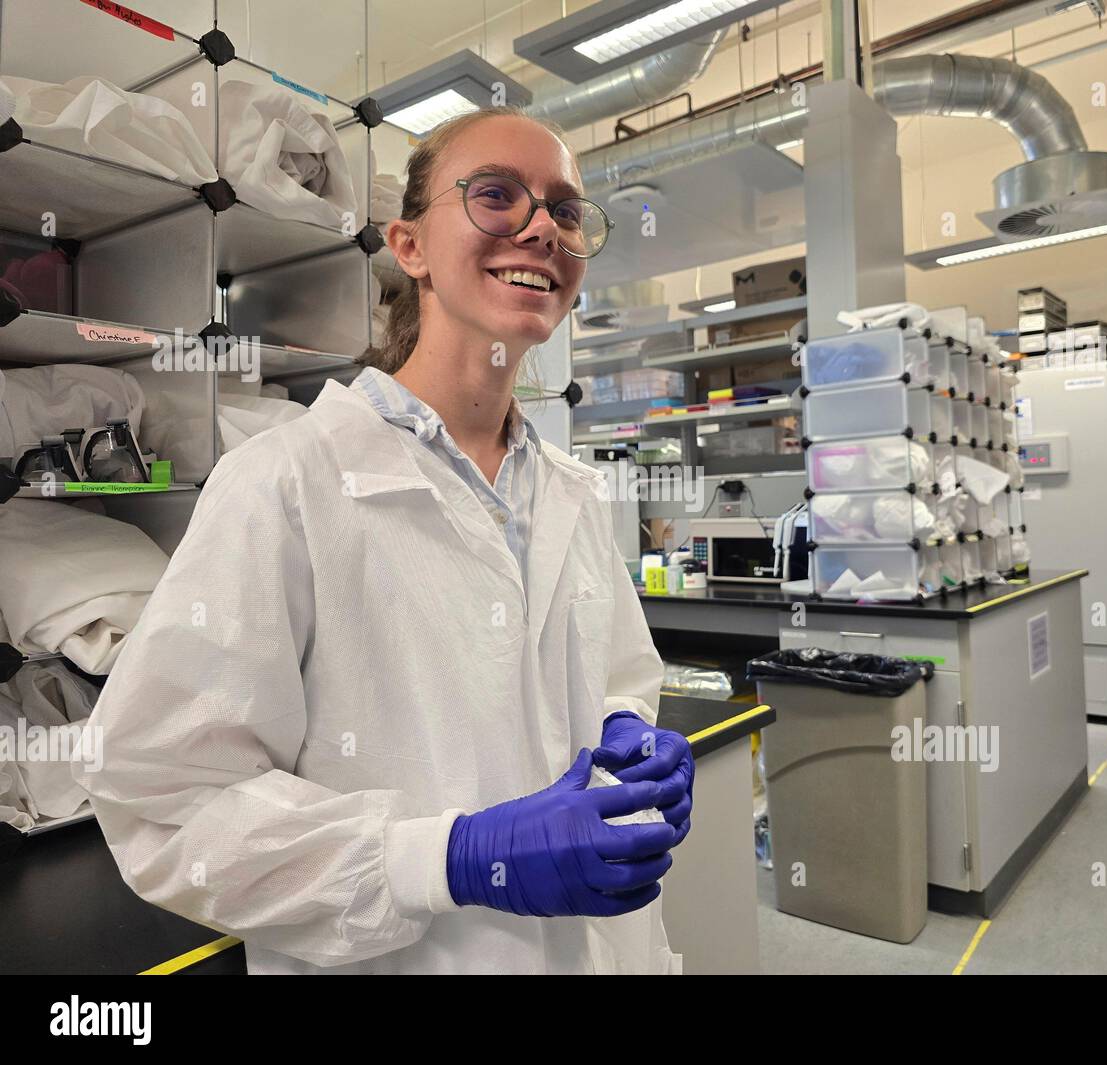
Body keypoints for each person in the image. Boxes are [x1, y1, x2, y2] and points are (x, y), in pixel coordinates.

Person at [73, 107, 694, 975]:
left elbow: (621, 675)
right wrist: (449, 858)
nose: (540, 228)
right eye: (495, 195)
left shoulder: (569, 492)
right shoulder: (284, 485)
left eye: (563, 210)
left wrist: (632, 733)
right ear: (408, 245)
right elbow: (164, 802)